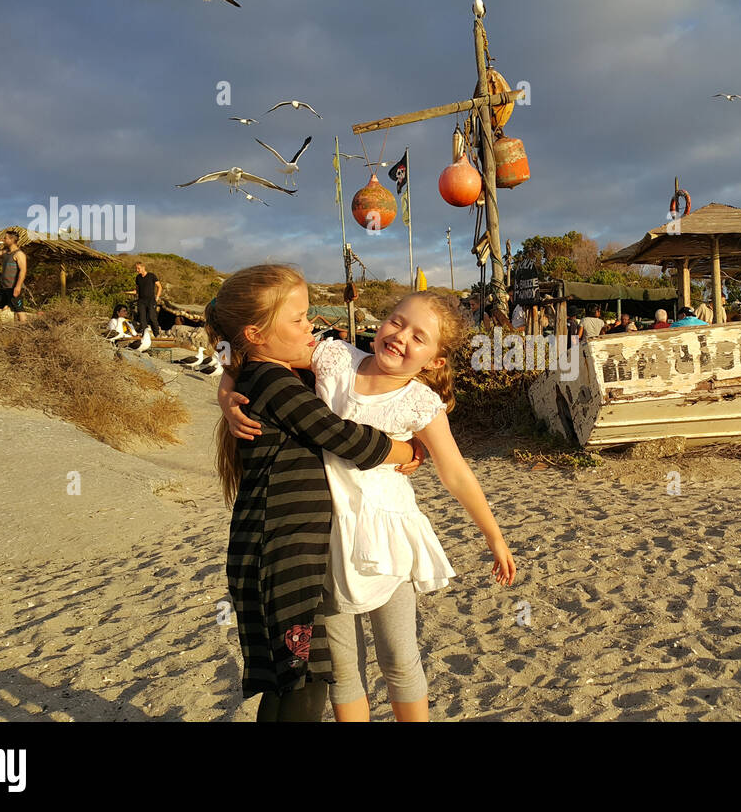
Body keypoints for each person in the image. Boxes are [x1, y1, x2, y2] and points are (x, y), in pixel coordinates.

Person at [219, 289, 516, 722]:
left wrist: (495, 536)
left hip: (386, 539)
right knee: (343, 669)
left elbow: (456, 473)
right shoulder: (336, 357)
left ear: (434, 360)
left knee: (400, 657)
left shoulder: (421, 403)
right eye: (397, 322)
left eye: (419, 337)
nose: (401, 337)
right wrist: (226, 394)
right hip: (324, 538)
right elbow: (253, 356)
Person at [204, 264, 424, 723]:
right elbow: (341, 435)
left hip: (286, 550)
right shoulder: (270, 381)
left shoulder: (271, 373)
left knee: (297, 679)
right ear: (255, 333)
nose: (311, 326)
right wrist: (408, 447)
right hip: (280, 554)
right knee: (301, 682)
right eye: (299, 318)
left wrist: (227, 378)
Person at [127, 262, 162, 336]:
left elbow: (159, 286)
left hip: (151, 300)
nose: (137, 270)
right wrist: (126, 292)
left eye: (138, 268)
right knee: (142, 319)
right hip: (141, 301)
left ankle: (157, 334)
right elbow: (136, 291)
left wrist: (157, 297)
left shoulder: (151, 276)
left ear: (143, 268)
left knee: (152, 317)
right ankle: (145, 334)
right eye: (136, 268)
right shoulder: (138, 278)